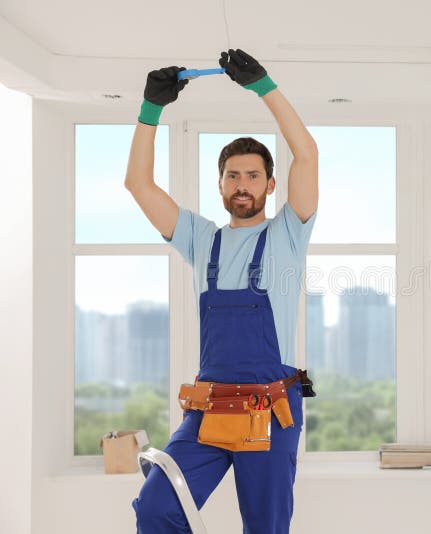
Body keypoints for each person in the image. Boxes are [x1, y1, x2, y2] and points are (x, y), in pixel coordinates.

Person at [125, 48, 318, 533]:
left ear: (271, 184)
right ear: (220, 185)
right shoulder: (201, 238)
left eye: (253, 175)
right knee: (155, 506)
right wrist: (151, 108)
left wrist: (263, 86)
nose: (243, 184)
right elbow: (139, 184)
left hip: (272, 409)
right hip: (209, 409)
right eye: (233, 175)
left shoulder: (288, 233)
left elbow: (307, 153)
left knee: (266, 527)